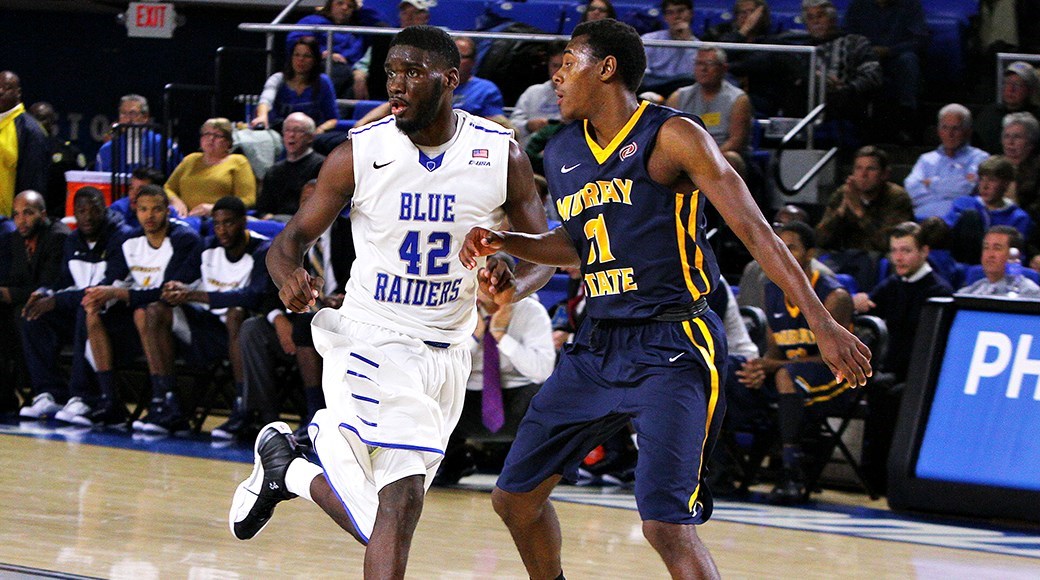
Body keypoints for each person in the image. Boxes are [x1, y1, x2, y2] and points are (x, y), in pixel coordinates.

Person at [459, 19, 870, 579]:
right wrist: (514, 253)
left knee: (665, 526)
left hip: (673, 344)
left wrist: (820, 321)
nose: (556, 76)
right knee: (515, 499)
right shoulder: (560, 151)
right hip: (597, 344)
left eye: (568, 63)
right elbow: (578, 246)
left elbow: (755, 231)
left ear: (606, 69)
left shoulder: (673, 135)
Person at [227, 26, 555, 580]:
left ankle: (291, 471)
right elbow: (287, 243)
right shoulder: (360, 152)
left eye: (411, 73)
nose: (396, 85)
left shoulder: (499, 155)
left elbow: (546, 252)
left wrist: (512, 286)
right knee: (398, 506)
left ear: (450, 79)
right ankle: (295, 467)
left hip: (447, 354)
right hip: (371, 339)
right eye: (390, 74)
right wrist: (290, 277)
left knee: (387, 519)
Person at [216, 180, 355, 442]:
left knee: (307, 323)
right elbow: (266, 293)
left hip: (342, 322)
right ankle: (265, 421)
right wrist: (277, 319)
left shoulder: (351, 233)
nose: (311, 208)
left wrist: (347, 300)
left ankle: (314, 414)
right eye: (305, 202)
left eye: (317, 201)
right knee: (251, 330)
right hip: (293, 322)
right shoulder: (286, 238)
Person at [737, 222, 854, 504]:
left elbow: (838, 357)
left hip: (838, 376)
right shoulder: (772, 290)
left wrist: (774, 368)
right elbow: (775, 351)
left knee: (785, 375)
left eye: (792, 247)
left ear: (810, 253)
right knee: (735, 373)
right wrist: (759, 367)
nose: (783, 252)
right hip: (791, 375)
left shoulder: (833, 296)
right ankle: (721, 467)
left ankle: (790, 470)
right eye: (779, 246)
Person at [134, 196, 270, 435]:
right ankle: (168, 403)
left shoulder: (262, 250)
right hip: (205, 329)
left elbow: (253, 297)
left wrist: (194, 296)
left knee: (236, 314)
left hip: (244, 337)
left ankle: (244, 410)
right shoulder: (206, 247)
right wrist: (174, 288)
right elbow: (179, 281)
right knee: (154, 310)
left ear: (243, 222)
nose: (222, 230)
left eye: (228, 223)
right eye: (217, 224)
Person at [81, 186, 204, 429]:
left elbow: (168, 293)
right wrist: (97, 295)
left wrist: (118, 293)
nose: (150, 216)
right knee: (94, 312)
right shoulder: (130, 241)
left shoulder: (184, 239)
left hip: (186, 315)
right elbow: (113, 279)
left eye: (157, 209)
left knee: (147, 310)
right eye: (144, 209)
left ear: (168, 211)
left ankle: (166, 400)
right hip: (145, 317)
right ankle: (110, 401)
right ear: (135, 211)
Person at [436, 253, 556, 486]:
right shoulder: (455, 309)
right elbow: (441, 367)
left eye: (499, 280)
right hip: (466, 398)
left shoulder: (532, 311)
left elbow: (542, 371)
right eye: (485, 279)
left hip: (517, 397)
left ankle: (534, 468)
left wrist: (502, 336)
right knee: (435, 387)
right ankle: (451, 459)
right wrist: (474, 338)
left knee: (547, 395)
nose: (490, 288)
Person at [851, 221, 951, 491]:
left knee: (891, 394)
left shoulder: (938, 292)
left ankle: (894, 482)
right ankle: (872, 480)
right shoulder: (892, 285)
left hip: (919, 377)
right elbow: (868, 307)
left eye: (906, 250)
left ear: (924, 252)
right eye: (894, 251)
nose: (898, 257)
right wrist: (856, 302)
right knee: (877, 388)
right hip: (889, 373)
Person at [18, 187, 131, 424]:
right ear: (74, 214)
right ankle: (49, 393)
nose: (88, 217)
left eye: (94, 210)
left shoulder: (122, 238)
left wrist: (56, 300)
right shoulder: (73, 240)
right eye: (81, 211)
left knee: (86, 309)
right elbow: (64, 282)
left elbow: (104, 289)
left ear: (105, 209)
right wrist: (44, 293)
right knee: (32, 315)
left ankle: (84, 397)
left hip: (117, 317)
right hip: (83, 310)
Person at [1, 190, 70, 411]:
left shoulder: (58, 236)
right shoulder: (14, 239)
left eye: (28, 213)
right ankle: (4, 395)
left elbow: (49, 284)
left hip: (59, 307)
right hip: (24, 304)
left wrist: (9, 294)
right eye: (17, 214)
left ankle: (50, 393)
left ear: (43, 214)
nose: (21, 220)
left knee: (27, 315)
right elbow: (14, 279)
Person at [355, 36, 512, 130]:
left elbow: (499, 123)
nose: (455, 61)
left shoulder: (485, 89)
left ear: (473, 62)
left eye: (462, 57)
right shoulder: (430, 82)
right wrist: (363, 123)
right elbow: (393, 106)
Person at [815, 145, 913, 289]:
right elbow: (820, 239)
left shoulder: (897, 198)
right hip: (844, 256)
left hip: (875, 257)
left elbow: (888, 243)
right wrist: (841, 211)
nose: (863, 175)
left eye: (871, 169)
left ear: (885, 174)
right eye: (858, 168)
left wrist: (859, 212)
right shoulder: (844, 193)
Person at [843, 0, 930, 141]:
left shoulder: (910, 5)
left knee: (908, 60)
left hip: (896, 57)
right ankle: (858, 126)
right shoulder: (858, 6)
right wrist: (866, 52)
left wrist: (889, 51)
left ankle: (907, 120)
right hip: (865, 58)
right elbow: (848, 37)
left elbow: (920, 40)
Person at [665, 46, 752, 174]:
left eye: (709, 64)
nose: (703, 69)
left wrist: (708, 159)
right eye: (699, 63)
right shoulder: (678, 97)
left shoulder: (738, 99)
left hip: (721, 155)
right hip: (686, 155)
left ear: (724, 68)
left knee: (733, 158)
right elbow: (667, 137)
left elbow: (736, 141)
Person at [795, 0, 882, 124]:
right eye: (810, 18)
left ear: (832, 19)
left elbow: (873, 76)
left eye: (820, 16)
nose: (815, 22)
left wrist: (847, 89)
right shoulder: (800, 49)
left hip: (845, 98)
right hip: (807, 98)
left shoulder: (856, 42)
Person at [737, 205, 834, 311]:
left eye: (792, 225)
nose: (784, 231)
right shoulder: (753, 268)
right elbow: (745, 314)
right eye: (778, 225)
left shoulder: (822, 276)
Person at [904, 104, 990, 220]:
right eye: (945, 127)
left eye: (956, 128)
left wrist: (931, 183)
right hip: (922, 220)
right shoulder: (925, 159)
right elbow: (911, 191)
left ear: (968, 132)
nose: (950, 134)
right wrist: (950, 189)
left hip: (958, 221)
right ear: (939, 131)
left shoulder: (980, 158)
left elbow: (965, 189)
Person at [286, 0, 386, 99]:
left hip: (352, 70)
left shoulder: (358, 29)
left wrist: (361, 7)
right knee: (339, 72)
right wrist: (320, 53)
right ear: (330, 5)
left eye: (350, 6)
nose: (344, 8)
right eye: (340, 3)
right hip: (322, 65)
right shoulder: (314, 21)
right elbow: (295, 41)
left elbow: (382, 26)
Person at [942, 155, 1033, 262]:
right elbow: (944, 236)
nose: (984, 186)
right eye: (981, 179)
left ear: (1006, 184)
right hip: (956, 265)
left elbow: (1016, 256)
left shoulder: (1018, 218)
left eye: (992, 180)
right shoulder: (963, 204)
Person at [164, 118, 257, 218]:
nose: (211, 139)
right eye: (207, 134)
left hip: (218, 219)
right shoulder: (190, 160)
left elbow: (248, 200)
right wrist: (176, 201)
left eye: (217, 135)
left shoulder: (238, 161)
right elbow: (168, 188)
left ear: (228, 142)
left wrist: (215, 208)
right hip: (185, 217)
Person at [250, 38, 339, 135]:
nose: (300, 59)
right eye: (297, 55)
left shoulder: (323, 82)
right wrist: (262, 117)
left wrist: (320, 130)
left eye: (307, 56)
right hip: (280, 134)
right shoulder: (278, 79)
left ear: (315, 60)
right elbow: (266, 100)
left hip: (311, 136)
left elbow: (333, 119)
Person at [255, 113, 326, 222]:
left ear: (310, 137)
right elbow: (263, 209)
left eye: (298, 131)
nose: (291, 135)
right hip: (276, 226)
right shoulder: (274, 171)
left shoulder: (321, 166)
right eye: (287, 130)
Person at [94, 94, 181, 174]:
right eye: (123, 113)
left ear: (145, 117)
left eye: (133, 113)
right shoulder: (106, 150)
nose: (128, 119)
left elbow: (177, 180)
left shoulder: (166, 146)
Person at [27, 102, 87, 219]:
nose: (37, 124)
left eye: (42, 119)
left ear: (52, 122)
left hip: (56, 216)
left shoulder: (68, 153)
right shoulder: (19, 150)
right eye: (33, 119)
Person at [0, 71, 48, 216]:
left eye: (7, 87)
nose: (0, 91)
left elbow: (33, 183)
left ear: (18, 93)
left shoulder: (30, 130)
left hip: (9, 224)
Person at [974, 61, 1040, 155]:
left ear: (1030, 90)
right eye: (1007, 83)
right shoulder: (989, 114)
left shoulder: (1036, 119)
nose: (1010, 89)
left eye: (1017, 85)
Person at [510, 41, 566, 148]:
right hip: (532, 152)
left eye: (564, 66)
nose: (559, 72)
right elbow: (512, 126)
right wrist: (528, 126)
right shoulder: (533, 93)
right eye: (555, 66)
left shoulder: (581, 95)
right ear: (548, 65)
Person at [959, 225, 1040, 298]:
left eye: (997, 248)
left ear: (1014, 255)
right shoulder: (973, 290)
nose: (990, 254)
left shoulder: (1030, 293)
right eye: (986, 247)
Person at [640, 0, 699, 95]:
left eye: (681, 11)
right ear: (665, 17)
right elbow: (643, 72)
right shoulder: (650, 39)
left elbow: (694, 74)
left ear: (691, 13)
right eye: (670, 13)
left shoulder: (698, 46)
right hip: (653, 87)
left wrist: (687, 41)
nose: (676, 17)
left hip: (682, 89)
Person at [109, 167, 183, 229]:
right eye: (131, 188)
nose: (133, 194)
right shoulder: (118, 208)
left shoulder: (167, 211)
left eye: (141, 190)